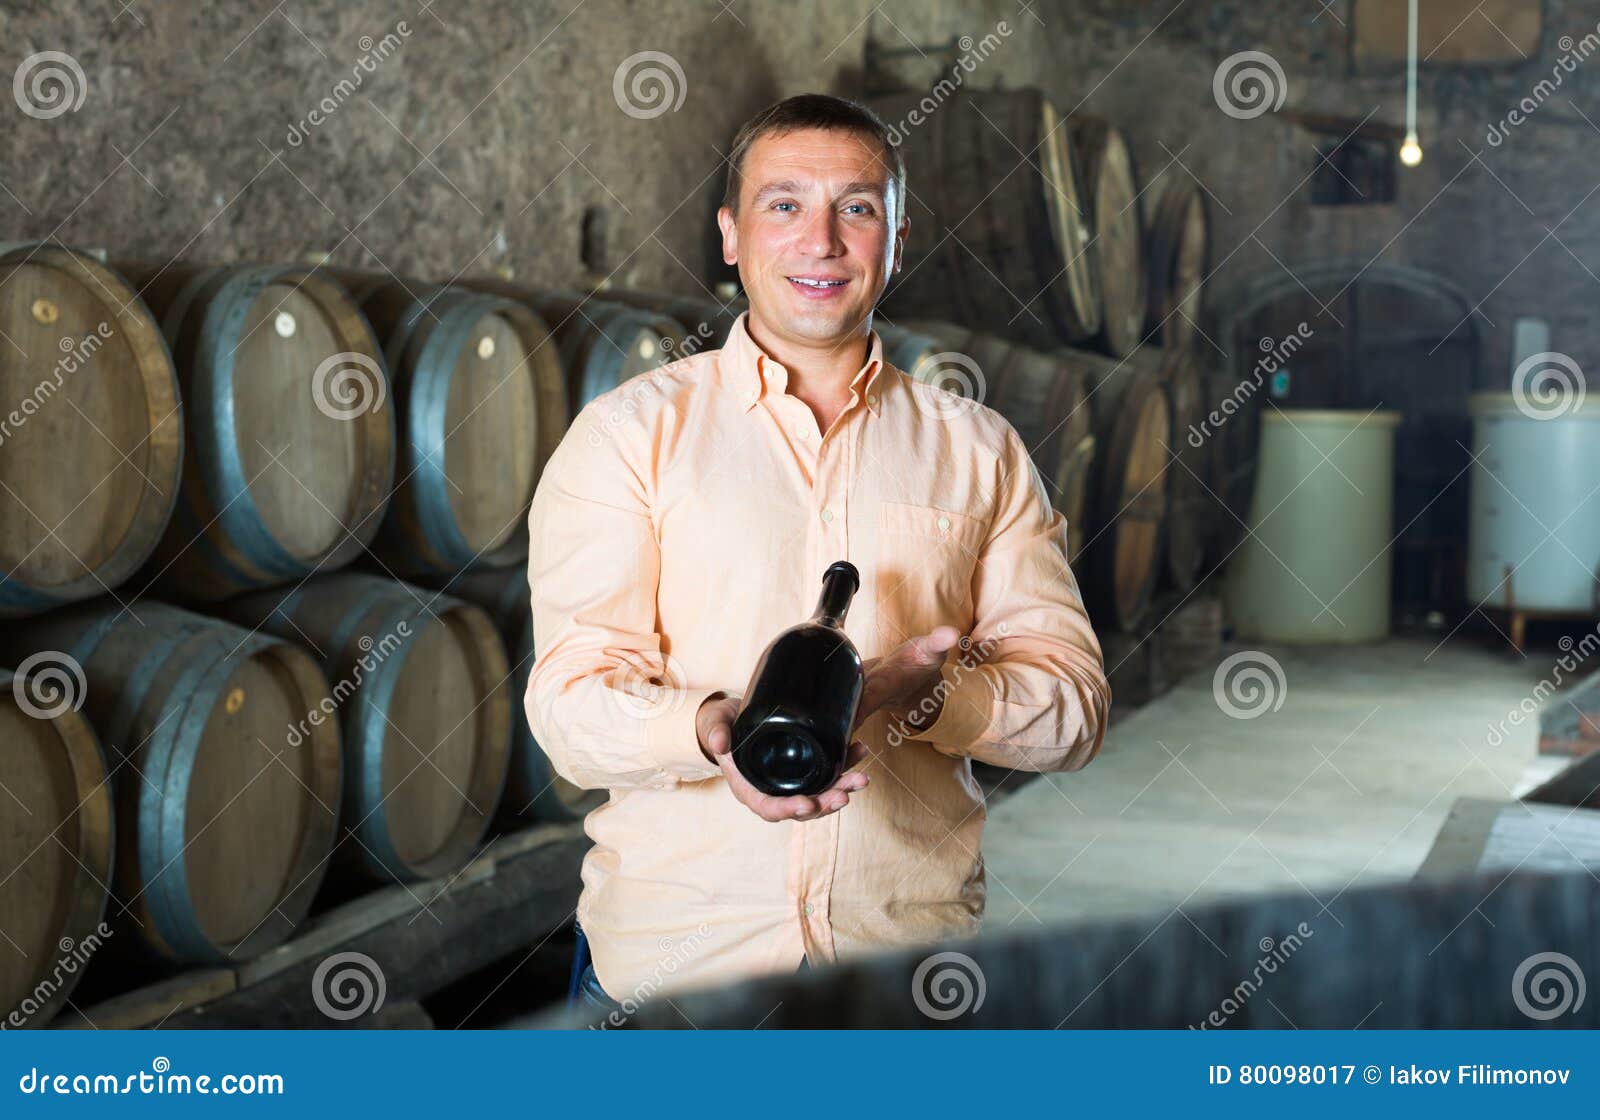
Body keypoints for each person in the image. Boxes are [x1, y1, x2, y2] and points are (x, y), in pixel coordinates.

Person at [526, 92, 1110, 1011]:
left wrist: (933, 699)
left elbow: (1075, 709)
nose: (822, 241)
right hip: (672, 984)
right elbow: (566, 705)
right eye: (784, 204)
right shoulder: (627, 437)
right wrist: (710, 728)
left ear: (897, 241)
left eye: (858, 207)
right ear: (731, 234)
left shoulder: (979, 450)